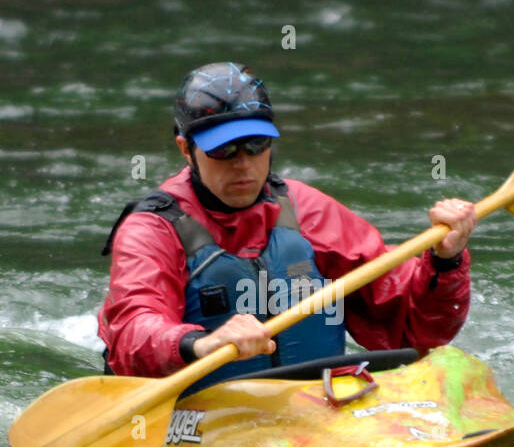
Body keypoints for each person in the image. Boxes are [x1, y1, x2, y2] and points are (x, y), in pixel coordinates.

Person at [98, 61, 477, 391]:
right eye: (223, 150)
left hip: (315, 403)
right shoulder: (152, 228)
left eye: (256, 144)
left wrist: (444, 261)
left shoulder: (306, 211)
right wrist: (199, 343)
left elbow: (414, 328)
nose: (243, 163)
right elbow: (132, 331)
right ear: (186, 149)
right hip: (205, 410)